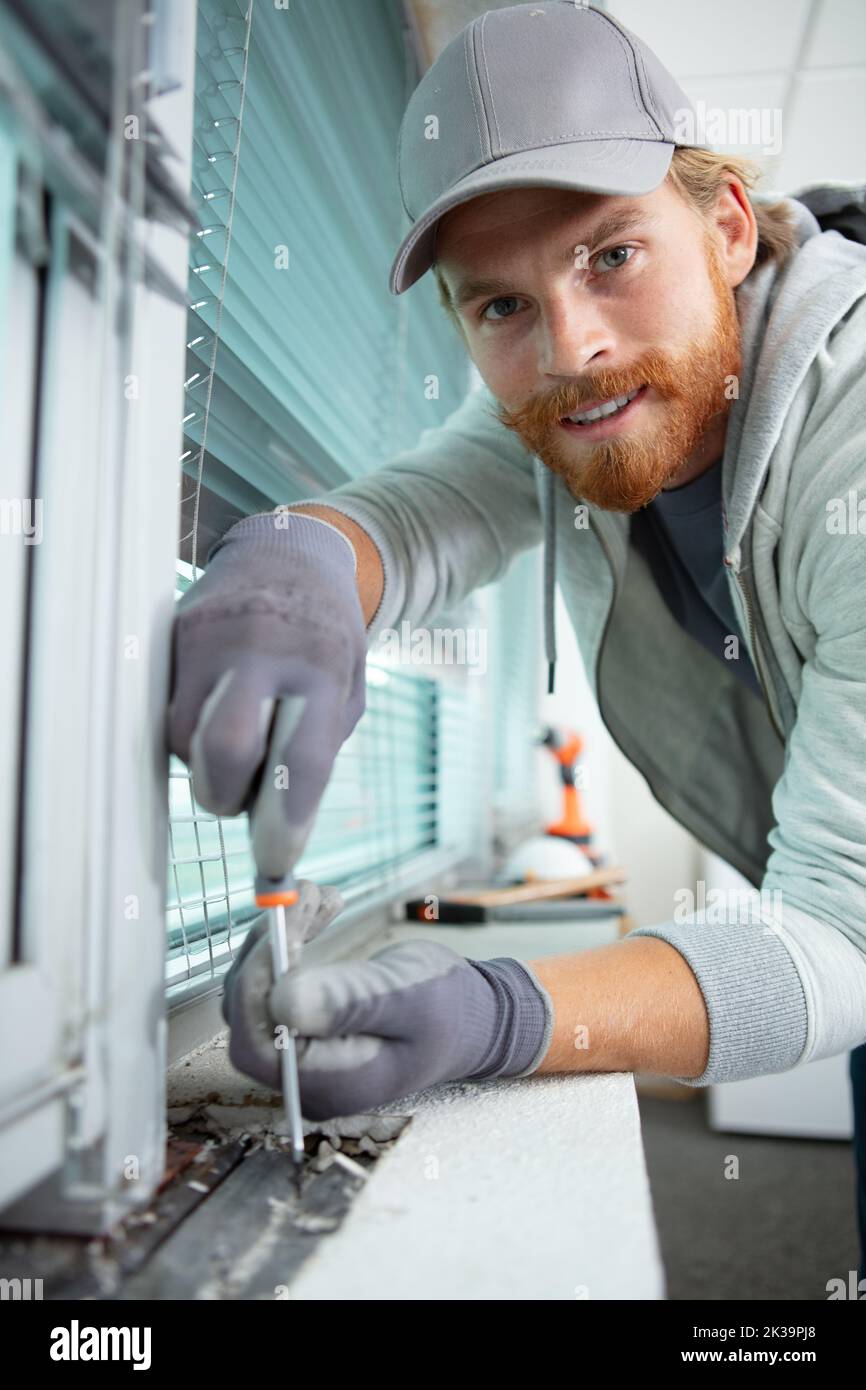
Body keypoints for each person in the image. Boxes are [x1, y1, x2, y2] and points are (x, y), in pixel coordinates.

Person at [168, 3, 866, 1275]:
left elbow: (846, 930)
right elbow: (413, 511)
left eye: (608, 255)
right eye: (497, 303)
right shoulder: (581, 399)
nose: (570, 348)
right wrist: (292, 564)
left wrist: (501, 1013)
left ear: (723, 227)